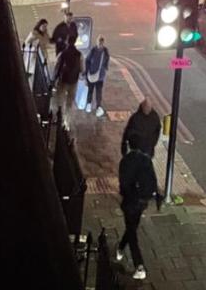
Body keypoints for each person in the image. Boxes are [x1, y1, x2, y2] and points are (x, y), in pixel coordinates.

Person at [116, 145, 159, 281]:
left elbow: (124, 184)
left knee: (132, 232)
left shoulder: (126, 162)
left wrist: (126, 196)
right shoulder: (146, 160)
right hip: (143, 201)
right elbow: (153, 180)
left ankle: (139, 266)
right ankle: (121, 248)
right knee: (132, 227)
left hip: (131, 201)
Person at [52, 35, 83, 132]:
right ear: (74, 42)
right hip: (74, 82)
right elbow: (82, 69)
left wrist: (54, 79)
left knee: (59, 100)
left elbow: (57, 67)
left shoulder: (63, 54)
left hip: (63, 81)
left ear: (67, 42)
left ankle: (57, 118)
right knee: (69, 103)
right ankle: (67, 123)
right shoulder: (79, 54)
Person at [85, 36, 111, 116]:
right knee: (91, 90)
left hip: (99, 76)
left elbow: (107, 60)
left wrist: (105, 67)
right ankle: (90, 104)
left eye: (101, 43)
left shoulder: (105, 51)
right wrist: (87, 70)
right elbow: (87, 61)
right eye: (99, 42)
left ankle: (97, 106)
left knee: (98, 92)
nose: (100, 44)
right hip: (93, 74)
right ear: (97, 42)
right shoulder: (93, 50)